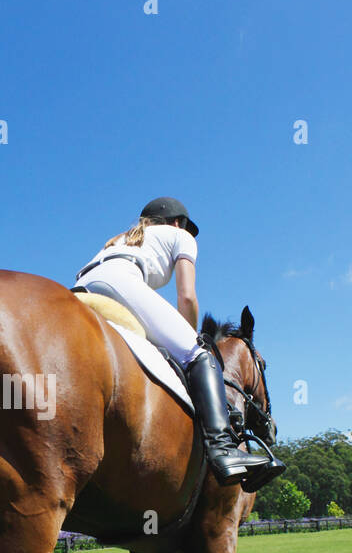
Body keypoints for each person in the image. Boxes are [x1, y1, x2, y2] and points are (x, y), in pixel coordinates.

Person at [74, 197, 277, 489]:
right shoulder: (182, 236)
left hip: (81, 287)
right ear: (176, 222)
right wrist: (189, 337)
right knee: (198, 354)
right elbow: (187, 297)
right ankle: (223, 448)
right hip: (118, 284)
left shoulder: (119, 240)